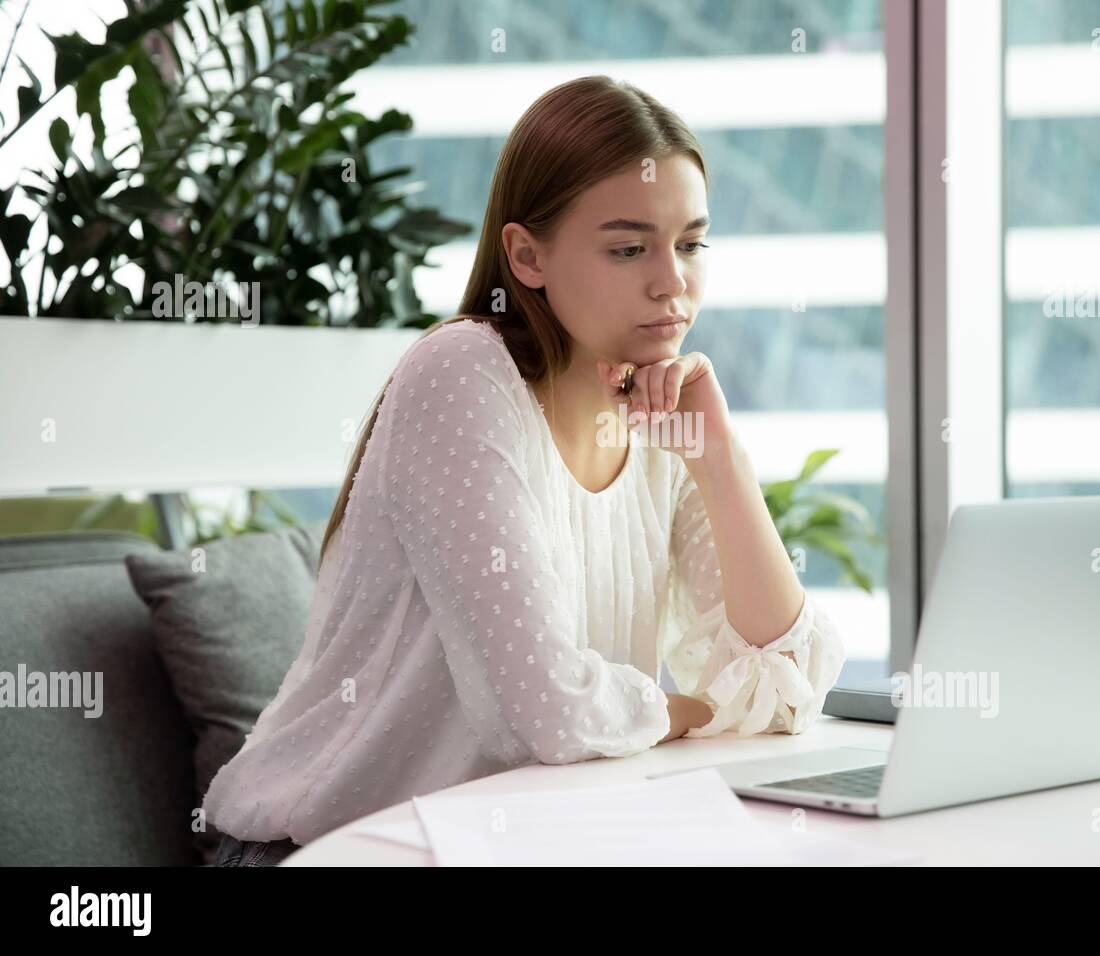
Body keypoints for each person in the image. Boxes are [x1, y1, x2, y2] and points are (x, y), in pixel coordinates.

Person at [201, 74, 847, 862]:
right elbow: (546, 711)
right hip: (330, 846)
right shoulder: (462, 374)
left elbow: (784, 688)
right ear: (527, 256)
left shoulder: (658, 413)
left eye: (690, 244)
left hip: (517, 844)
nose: (672, 282)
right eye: (628, 248)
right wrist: (685, 710)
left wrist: (720, 460)